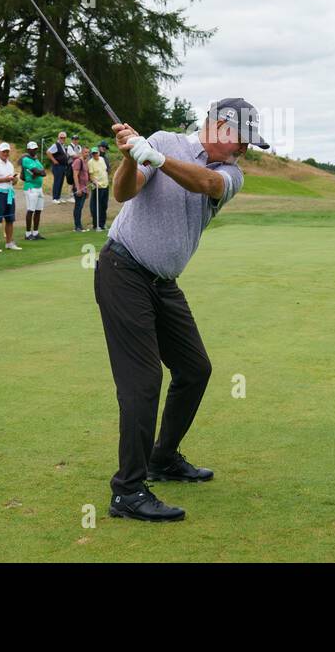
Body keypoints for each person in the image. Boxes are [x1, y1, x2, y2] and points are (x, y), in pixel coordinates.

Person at [96, 98, 266, 522]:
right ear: (220, 128)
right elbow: (123, 193)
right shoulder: (165, 140)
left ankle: (162, 458)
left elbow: (204, 184)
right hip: (123, 269)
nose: (244, 150)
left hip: (163, 283)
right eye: (242, 140)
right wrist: (130, 159)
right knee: (143, 381)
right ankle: (127, 492)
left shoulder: (230, 174)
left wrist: (154, 156)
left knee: (194, 369)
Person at [20, 141, 47, 240]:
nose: (34, 150)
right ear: (28, 149)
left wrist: (38, 172)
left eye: (35, 148)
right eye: (32, 148)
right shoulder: (26, 159)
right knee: (31, 210)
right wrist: (38, 172)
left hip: (39, 188)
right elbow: (37, 171)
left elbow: (44, 172)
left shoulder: (36, 160)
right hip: (31, 187)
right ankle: (27, 234)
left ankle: (35, 232)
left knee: (38, 210)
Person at [89, 142, 110, 231]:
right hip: (97, 187)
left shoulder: (102, 159)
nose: (95, 155)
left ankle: (102, 223)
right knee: (96, 207)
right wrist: (94, 181)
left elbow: (106, 170)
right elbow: (91, 175)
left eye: (96, 153)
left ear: (98, 153)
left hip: (105, 185)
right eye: (93, 153)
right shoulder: (91, 162)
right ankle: (96, 224)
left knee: (104, 206)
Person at [71, 145, 91, 232]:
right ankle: (77, 226)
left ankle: (79, 225)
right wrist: (78, 188)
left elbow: (86, 177)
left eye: (88, 152)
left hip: (84, 188)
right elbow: (75, 175)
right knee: (78, 207)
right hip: (79, 188)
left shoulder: (86, 162)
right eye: (86, 152)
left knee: (80, 207)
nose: (87, 154)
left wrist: (87, 191)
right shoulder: (78, 161)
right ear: (82, 152)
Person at [49, 131, 71, 203]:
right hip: (57, 166)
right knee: (57, 181)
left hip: (63, 166)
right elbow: (48, 152)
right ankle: (54, 198)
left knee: (61, 182)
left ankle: (58, 197)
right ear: (58, 138)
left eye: (64, 138)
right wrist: (54, 160)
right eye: (61, 137)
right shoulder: (56, 145)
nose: (63, 139)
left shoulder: (63, 145)